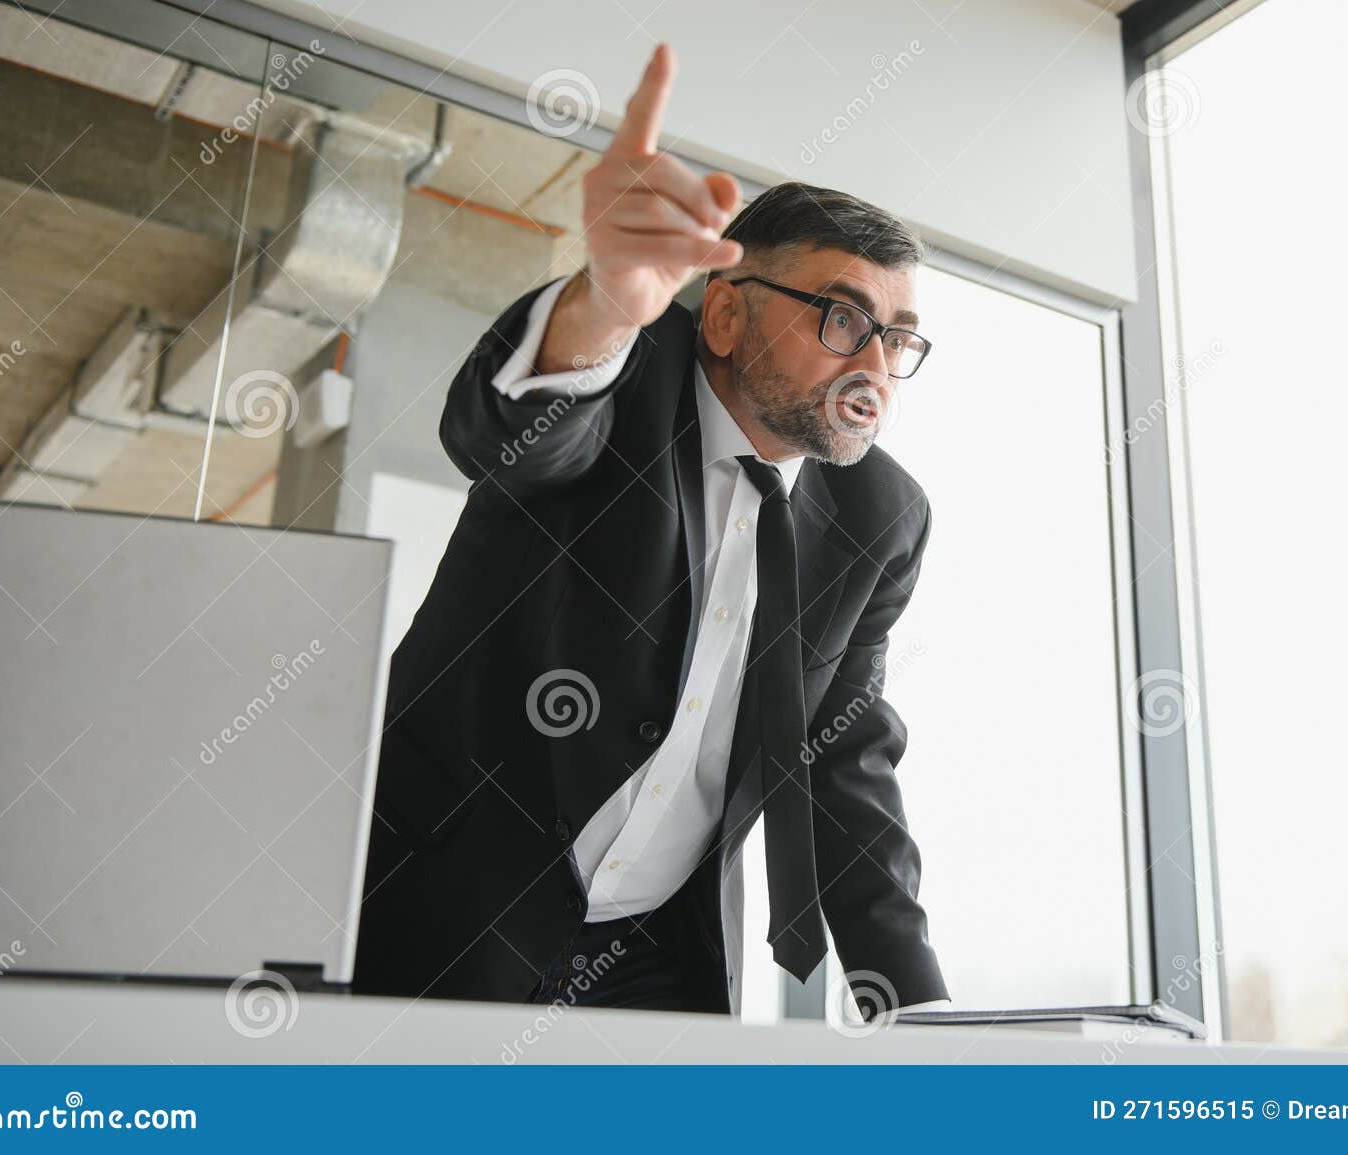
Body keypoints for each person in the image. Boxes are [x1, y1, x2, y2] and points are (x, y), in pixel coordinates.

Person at [353, 43, 948, 1020]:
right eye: (842, 319)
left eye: (899, 335)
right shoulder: (624, 376)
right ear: (721, 314)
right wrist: (601, 308)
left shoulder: (883, 517)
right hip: (446, 914)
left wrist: (918, 1013)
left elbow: (844, 760)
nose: (875, 363)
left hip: (659, 960)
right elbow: (502, 440)